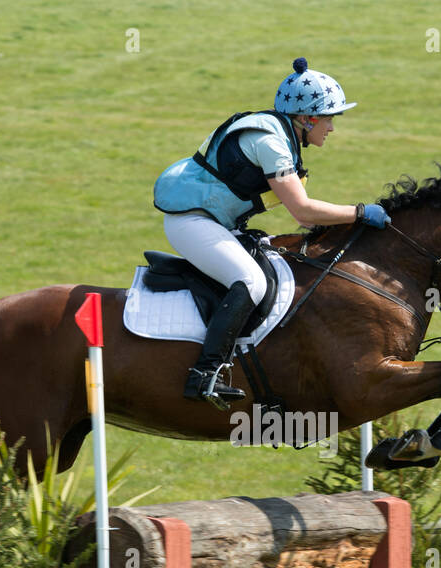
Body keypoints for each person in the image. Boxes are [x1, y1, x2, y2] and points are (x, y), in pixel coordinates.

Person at [153, 57, 391, 407]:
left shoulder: (281, 136)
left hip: (215, 222)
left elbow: (307, 222)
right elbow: (304, 211)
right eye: (329, 118)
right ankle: (204, 374)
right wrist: (359, 212)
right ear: (307, 117)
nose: (332, 128)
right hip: (191, 222)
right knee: (251, 282)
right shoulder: (270, 141)